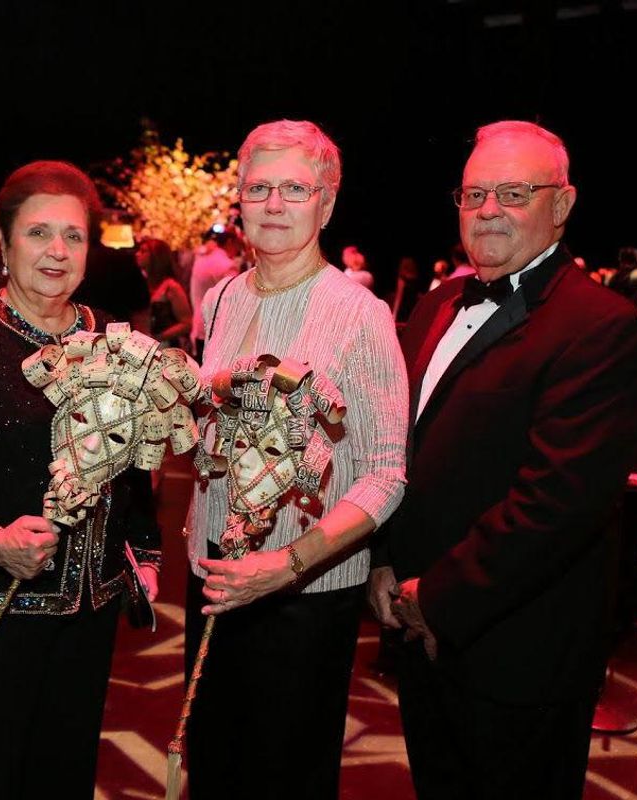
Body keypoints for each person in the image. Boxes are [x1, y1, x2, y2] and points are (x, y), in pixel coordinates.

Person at [369, 121, 637, 799]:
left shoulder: (600, 324)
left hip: (520, 649)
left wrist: (434, 598)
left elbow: (558, 502)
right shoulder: (435, 304)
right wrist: (381, 560)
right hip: (416, 629)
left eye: (514, 192)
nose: (489, 209)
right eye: (474, 195)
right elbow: (396, 450)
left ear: (563, 203)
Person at [0, 160, 160, 799]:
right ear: (6, 243)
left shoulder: (114, 341)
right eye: (38, 233)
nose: (57, 251)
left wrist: (143, 554)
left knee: (63, 777)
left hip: (86, 619)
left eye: (73, 236)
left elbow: (137, 459)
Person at [184, 120, 408, 798]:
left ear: (327, 203)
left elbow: (385, 474)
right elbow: (210, 421)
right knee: (214, 763)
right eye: (259, 188)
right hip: (214, 577)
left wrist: (286, 564)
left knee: (284, 777)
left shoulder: (361, 313)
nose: (275, 205)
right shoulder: (221, 296)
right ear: (240, 201)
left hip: (305, 596)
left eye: (294, 188)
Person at [188, 229, 240, 358]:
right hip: (217, 330)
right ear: (230, 242)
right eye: (238, 245)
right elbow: (235, 301)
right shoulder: (226, 265)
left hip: (199, 325)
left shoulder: (201, 259)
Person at [137, 236, 193, 349]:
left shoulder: (171, 287)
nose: (137, 254)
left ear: (156, 257)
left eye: (143, 251)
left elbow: (187, 323)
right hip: (143, 346)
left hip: (167, 348)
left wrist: (158, 337)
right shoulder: (142, 283)